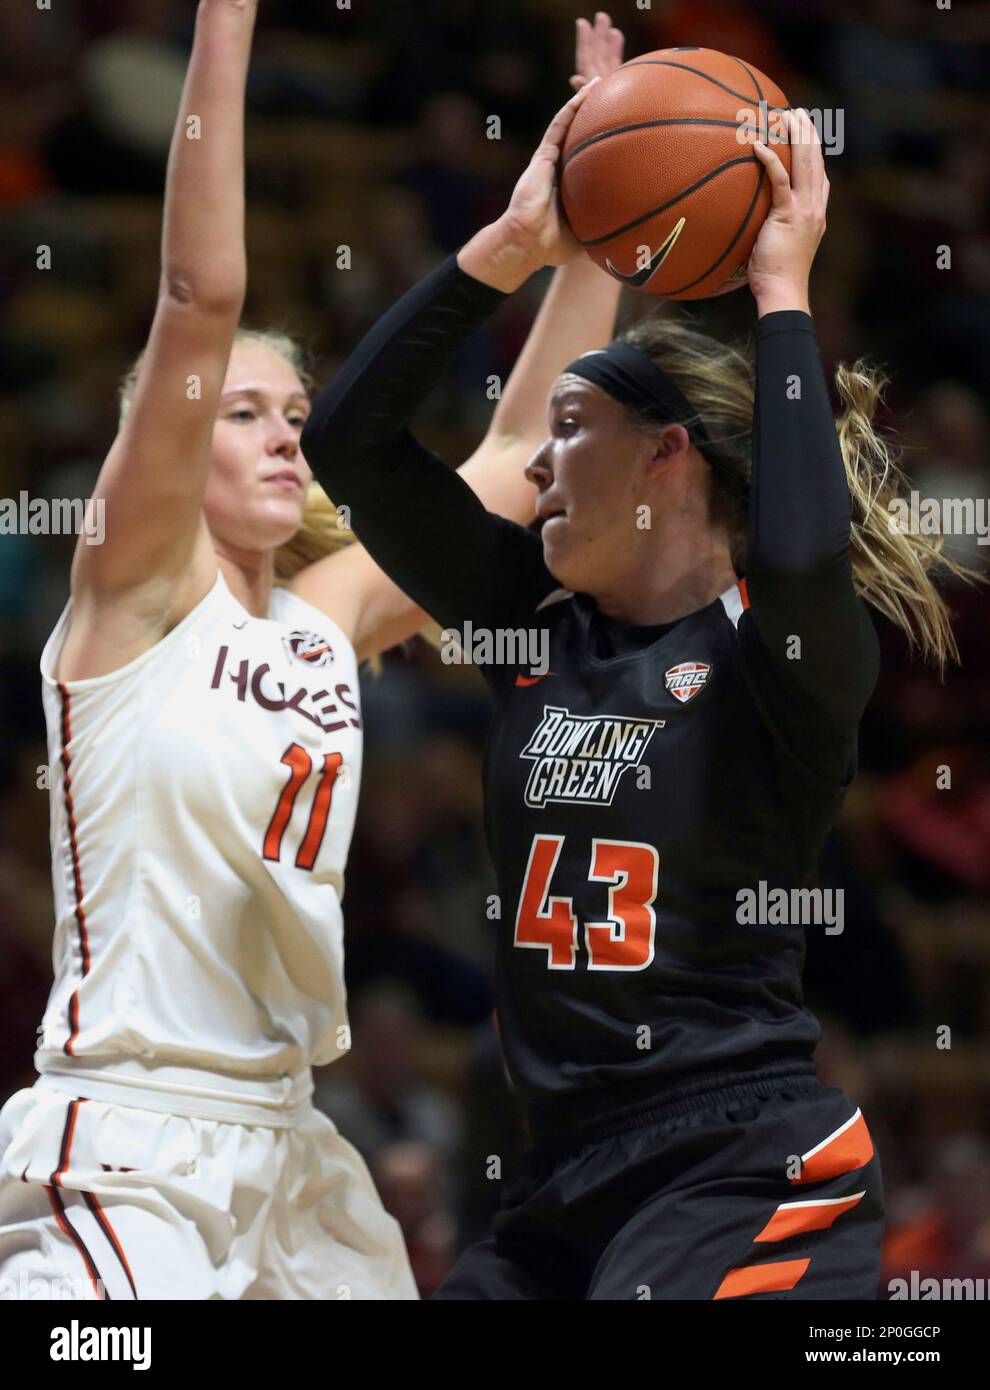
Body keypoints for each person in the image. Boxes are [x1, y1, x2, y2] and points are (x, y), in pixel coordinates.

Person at [0, 2, 621, 1300]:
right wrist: (223, 28)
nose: (289, 434)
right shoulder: (124, 609)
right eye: (245, 412)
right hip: (129, 1133)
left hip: (288, 1145)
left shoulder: (325, 621)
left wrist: (596, 222)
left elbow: (514, 459)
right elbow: (198, 291)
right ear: (167, 448)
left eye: (296, 410)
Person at [299, 92, 965, 1299]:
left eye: (568, 426)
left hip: (737, 1165)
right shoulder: (533, 627)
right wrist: (509, 247)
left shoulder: (780, 653)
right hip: (557, 1184)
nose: (536, 464)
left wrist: (781, 294)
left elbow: (810, 553)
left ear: (669, 455)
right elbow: (349, 445)